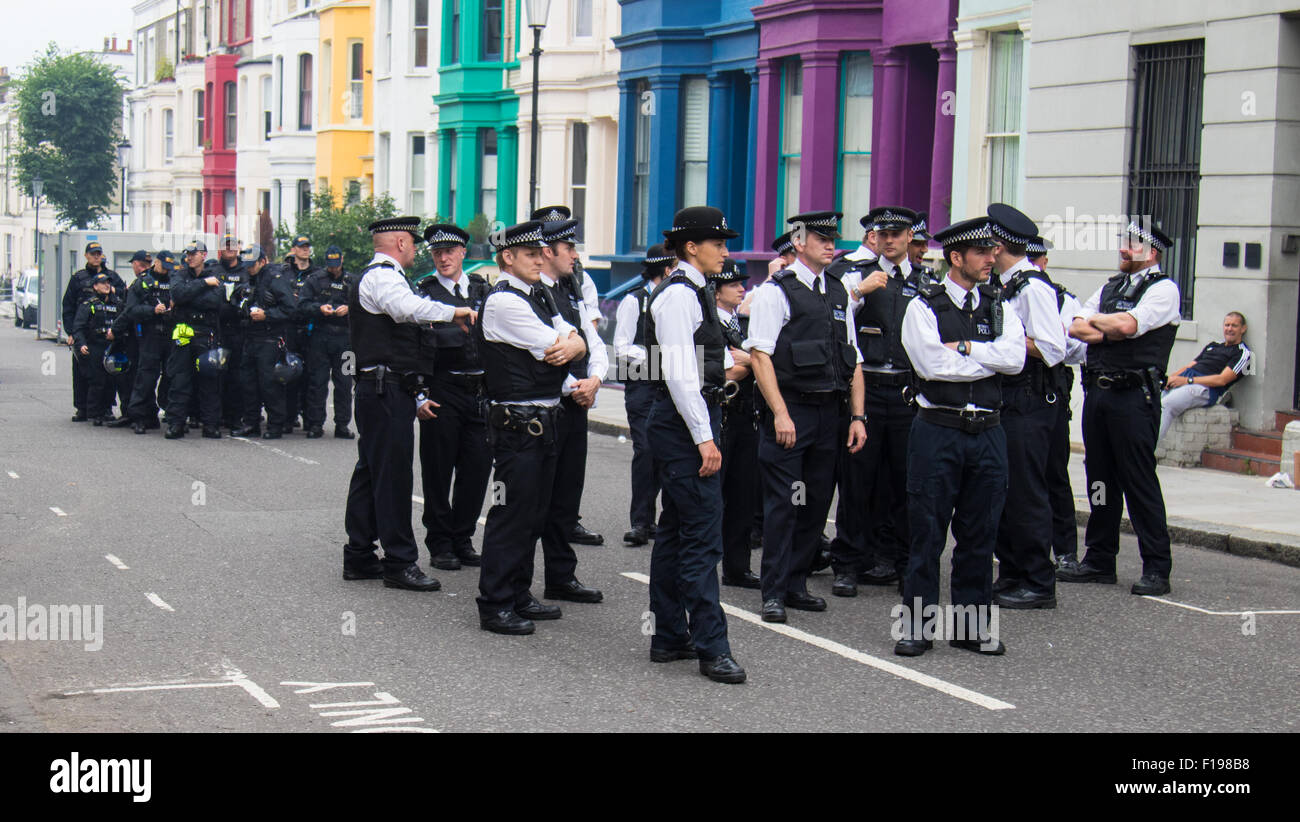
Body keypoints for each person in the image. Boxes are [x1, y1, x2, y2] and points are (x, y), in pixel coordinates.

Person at [895, 216, 1026, 658]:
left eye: (992, 252)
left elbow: (1015, 360)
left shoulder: (999, 303)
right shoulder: (924, 305)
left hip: (988, 430)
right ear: (957, 258)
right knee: (927, 533)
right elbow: (932, 366)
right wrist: (989, 360)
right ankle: (917, 627)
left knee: (979, 534)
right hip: (939, 429)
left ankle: (971, 628)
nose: (992, 259)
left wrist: (969, 349)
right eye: (982, 253)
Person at [744, 211, 867, 625]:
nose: (831, 244)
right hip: (791, 410)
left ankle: (796, 582)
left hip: (829, 413)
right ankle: (774, 590)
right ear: (799, 243)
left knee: (815, 503)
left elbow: (854, 361)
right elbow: (760, 356)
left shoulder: (836, 291)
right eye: (821, 238)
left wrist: (857, 416)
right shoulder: (775, 292)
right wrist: (780, 413)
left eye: (834, 238)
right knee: (783, 503)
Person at [343, 217, 473, 592]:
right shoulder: (384, 276)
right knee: (393, 477)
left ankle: (360, 554)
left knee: (371, 472)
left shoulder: (384, 275)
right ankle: (399, 562)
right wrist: (455, 311)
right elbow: (406, 310)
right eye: (414, 244)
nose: (417, 250)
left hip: (382, 388)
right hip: (384, 389)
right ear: (400, 242)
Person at [645, 205, 745, 683]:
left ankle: (668, 636)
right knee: (703, 539)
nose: (726, 252)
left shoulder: (697, 292)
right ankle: (713, 647)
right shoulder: (679, 297)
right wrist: (704, 438)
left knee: (675, 531)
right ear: (692, 247)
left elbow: (712, 359)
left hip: (695, 416)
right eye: (719, 243)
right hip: (685, 423)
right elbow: (680, 373)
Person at [474, 220, 587, 635]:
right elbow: (556, 346)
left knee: (534, 515)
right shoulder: (505, 302)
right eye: (531, 255)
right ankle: (496, 603)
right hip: (518, 426)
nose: (541, 260)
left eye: (542, 253)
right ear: (507, 257)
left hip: (544, 420)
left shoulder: (538, 294)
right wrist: (574, 344)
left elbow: (573, 338)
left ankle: (518, 594)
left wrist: (575, 343)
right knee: (512, 515)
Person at [1063, 220, 1180, 596]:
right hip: (1099, 394)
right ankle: (1099, 558)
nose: (1125, 249)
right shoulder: (1111, 286)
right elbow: (1075, 326)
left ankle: (1157, 567)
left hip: (1134, 398)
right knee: (1099, 479)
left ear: (1153, 253)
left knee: (1138, 480)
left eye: (1133, 244)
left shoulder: (1163, 290)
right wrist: (1105, 325)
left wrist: (1103, 325)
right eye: (1125, 242)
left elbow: (1130, 325)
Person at [830, 206, 923, 598]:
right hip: (866, 388)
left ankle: (900, 561)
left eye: (897, 234)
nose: (889, 240)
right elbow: (836, 314)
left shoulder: (924, 281)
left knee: (903, 482)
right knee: (857, 480)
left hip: (905, 392)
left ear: (909, 239)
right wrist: (860, 291)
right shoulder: (857, 276)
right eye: (883, 234)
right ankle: (848, 562)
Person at [987, 203, 1067, 611]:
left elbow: (1054, 348)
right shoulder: (1004, 284)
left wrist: (1000, 347)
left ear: (1000, 246)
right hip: (1007, 398)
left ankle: (1038, 579)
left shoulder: (1032, 287)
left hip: (1030, 400)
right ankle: (1013, 571)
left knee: (1026, 491)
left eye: (988, 242)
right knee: (1004, 489)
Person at [534, 217, 605, 605]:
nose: (575, 256)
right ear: (549, 252)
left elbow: (591, 341)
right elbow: (549, 351)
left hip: (576, 403)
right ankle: (513, 584)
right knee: (535, 500)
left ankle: (561, 576)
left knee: (566, 495)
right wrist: (576, 386)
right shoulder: (534, 294)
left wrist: (594, 380)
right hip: (546, 407)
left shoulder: (571, 288)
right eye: (570, 249)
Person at [413, 224, 490, 571]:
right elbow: (412, 348)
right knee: (438, 471)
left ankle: (463, 537)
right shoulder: (422, 295)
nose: (443, 258)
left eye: (449, 252)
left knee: (476, 470)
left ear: (463, 253)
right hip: (442, 390)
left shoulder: (481, 290)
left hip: (480, 392)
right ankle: (440, 542)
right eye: (436, 253)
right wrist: (417, 395)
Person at [1029, 235, 1087, 567]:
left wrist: (1053, 340)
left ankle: (1065, 550)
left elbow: (1078, 348)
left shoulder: (1062, 299)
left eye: (1034, 260)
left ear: (1044, 262)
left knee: (1054, 474)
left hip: (1050, 388)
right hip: (1014, 390)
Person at [614, 244, 674, 546]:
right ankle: (641, 520)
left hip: (672, 383)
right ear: (664, 270)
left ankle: (662, 521)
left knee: (669, 451)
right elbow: (622, 346)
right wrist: (660, 358)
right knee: (646, 449)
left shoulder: (678, 300)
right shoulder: (633, 301)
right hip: (642, 383)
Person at [714, 259, 760, 589]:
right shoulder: (708, 325)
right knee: (714, 497)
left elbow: (749, 364)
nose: (742, 288)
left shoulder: (740, 323)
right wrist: (749, 362)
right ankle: (705, 564)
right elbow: (729, 371)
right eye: (734, 284)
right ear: (716, 292)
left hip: (746, 417)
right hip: (722, 417)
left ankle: (737, 567)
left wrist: (748, 362)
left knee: (744, 496)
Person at [232, 246, 297, 439]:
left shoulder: (275, 280)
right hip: (250, 338)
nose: (249, 269)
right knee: (248, 383)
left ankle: (275, 425)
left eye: (252, 265)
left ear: (262, 262)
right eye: (247, 266)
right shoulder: (248, 279)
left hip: (269, 339)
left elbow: (291, 309)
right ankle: (251, 423)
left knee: (270, 385)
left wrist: (267, 315)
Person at [165, 241, 227, 439]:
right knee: (180, 380)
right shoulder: (179, 275)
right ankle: (176, 424)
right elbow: (177, 294)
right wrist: (202, 285)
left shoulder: (215, 275)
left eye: (194, 253)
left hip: (206, 333)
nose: (190, 257)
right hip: (184, 331)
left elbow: (215, 301)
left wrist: (189, 297)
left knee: (209, 381)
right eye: (188, 254)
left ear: (203, 255)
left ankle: (210, 425)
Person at [1159, 312, 1251, 441]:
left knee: (1167, 405)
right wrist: (1171, 379)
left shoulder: (1242, 353)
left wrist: (1187, 381)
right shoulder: (1213, 346)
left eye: (1234, 326)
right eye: (1227, 325)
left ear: (1243, 329)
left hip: (1204, 389)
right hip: (1185, 380)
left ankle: (1148, 451)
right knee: (1151, 403)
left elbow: (1222, 380)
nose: (1229, 329)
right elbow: (1189, 367)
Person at [62, 241, 125, 422]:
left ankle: (105, 408)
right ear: (86, 256)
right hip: (84, 332)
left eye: (98, 253)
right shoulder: (78, 278)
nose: (96, 256)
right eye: (93, 254)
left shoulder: (112, 276)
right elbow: (68, 306)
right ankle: (82, 408)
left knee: (108, 372)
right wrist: (71, 332)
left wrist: (113, 289)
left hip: (105, 332)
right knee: (82, 372)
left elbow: (123, 294)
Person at [299, 244, 355, 439]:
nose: (334, 268)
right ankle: (315, 424)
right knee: (317, 381)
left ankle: (342, 424)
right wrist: (319, 308)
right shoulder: (314, 280)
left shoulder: (353, 281)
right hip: (320, 336)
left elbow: (365, 306)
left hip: (346, 339)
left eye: (336, 264)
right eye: (330, 265)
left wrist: (349, 308)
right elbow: (302, 305)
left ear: (342, 260)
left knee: (345, 383)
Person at [117, 251, 176, 434]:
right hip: (150, 335)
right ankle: (139, 418)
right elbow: (131, 310)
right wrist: (153, 310)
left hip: (171, 335)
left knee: (173, 376)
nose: (166, 271)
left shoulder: (175, 280)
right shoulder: (143, 282)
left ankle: (172, 416)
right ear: (156, 263)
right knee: (146, 378)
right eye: (163, 266)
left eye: (169, 268)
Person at [72, 273, 127, 425]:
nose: (106, 285)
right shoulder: (88, 304)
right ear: (95, 286)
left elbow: (125, 321)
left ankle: (107, 410)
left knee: (111, 380)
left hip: (113, 346)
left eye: (108, 283)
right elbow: (79, 327)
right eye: (102, 283)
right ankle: (94, 412)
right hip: (95, 345)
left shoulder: (117, 303)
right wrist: (81, 344)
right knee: (97, 380)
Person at [282, 235, 321, 432]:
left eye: (307, 246)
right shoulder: (284, 273)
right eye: (301, 247)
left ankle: (310, 419)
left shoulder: (317, 274)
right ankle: (289, 418)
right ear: (294, 249)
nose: (305, 250)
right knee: (290, 373)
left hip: (311, 329)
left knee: (311, 377)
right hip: (290, 328)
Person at [210, 234, 248, 431]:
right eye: (226, 245)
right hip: (218, 330)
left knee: (237, 376)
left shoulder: (246, 271)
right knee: (216, 375)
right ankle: (217, 418)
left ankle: (235, 418)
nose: (230, 248)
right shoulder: (212, 270)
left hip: (240, 331)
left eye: (233, 245)